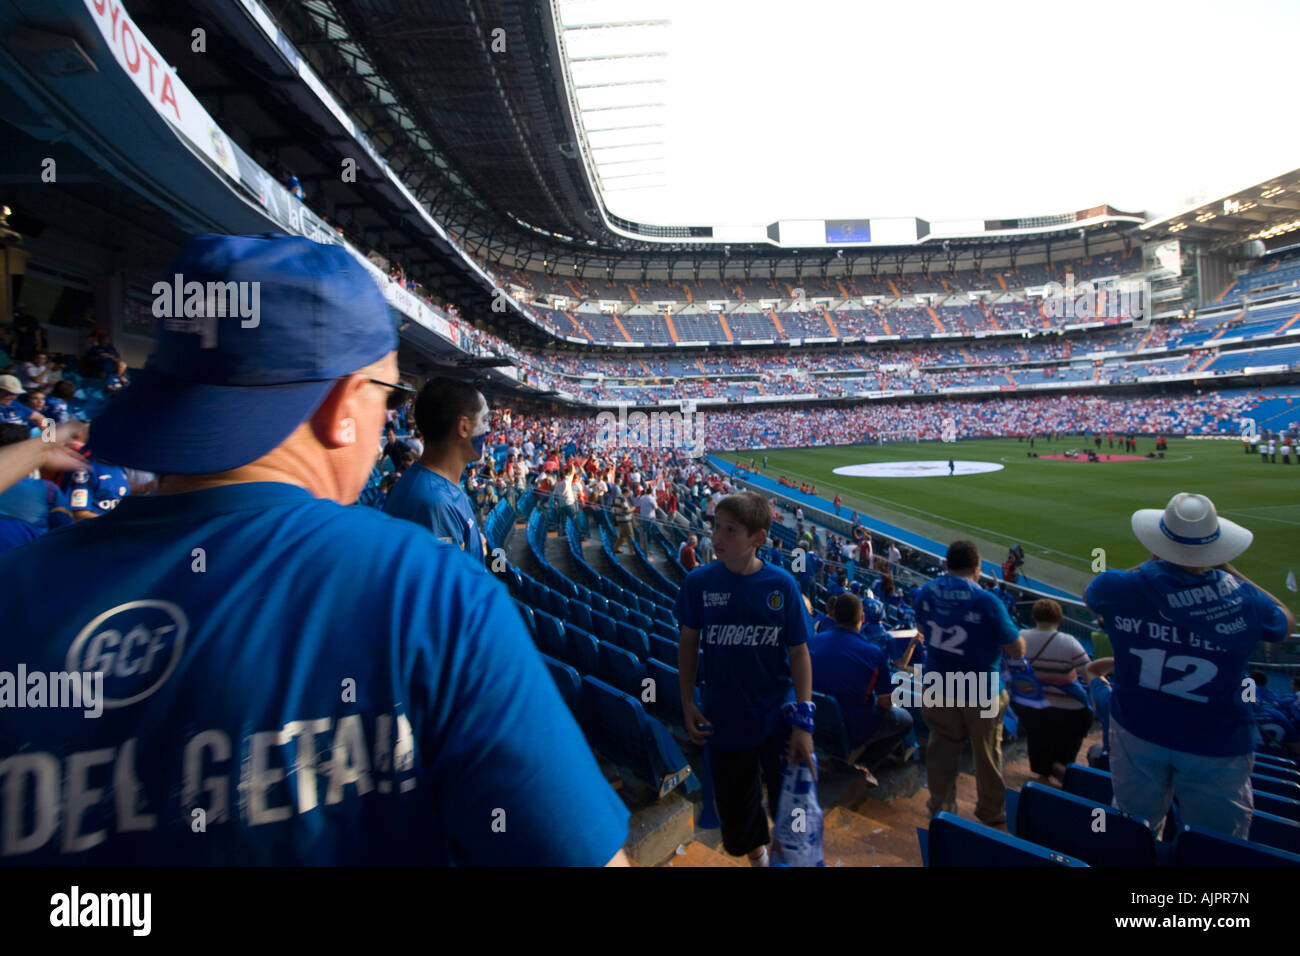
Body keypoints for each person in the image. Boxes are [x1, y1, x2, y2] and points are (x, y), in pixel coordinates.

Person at [0, 234, 630, 865]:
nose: (389, 423)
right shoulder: (431, 595)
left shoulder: (17, 586)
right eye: (384, 395)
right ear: (339, 406)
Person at [1085, 492, 1294, 839]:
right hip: (1216, 740)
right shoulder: (1244, 599)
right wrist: (1229, 568)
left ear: (1159, 541)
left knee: (1134, 828)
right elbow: (1284, 624)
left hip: (1138, 727)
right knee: (1217, 843)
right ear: (1216, 548)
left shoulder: (1118, 587)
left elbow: (1092, 596)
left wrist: (1155, 561)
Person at [675, 490, 814, 866]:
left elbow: (799, 653)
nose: (717, 537)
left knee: (791, 805)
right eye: (716, 526)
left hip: (778, 718)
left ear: (758, 538)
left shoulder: (782, 585)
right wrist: (687, 702)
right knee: (738, 809)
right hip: (724, 717)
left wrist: (805, 720)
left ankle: (788, 856)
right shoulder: (699, 584)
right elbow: (688, 646)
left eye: (731, 530)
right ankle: (758, 858)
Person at [915, 540, 1025, 827]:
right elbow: (1016, 649)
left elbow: (921, 630)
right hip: (980, 690)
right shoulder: (987, 600)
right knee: (987, 752)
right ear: (977, 568)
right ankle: (990, 812)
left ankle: (941, 808)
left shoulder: (926, 592)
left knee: (940, 749)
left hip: (938, 685)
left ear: (946, 564)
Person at [808, 593, 913, 784]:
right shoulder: (874, 654)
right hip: (852, 728)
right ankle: (865, 763)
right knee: (905, 720)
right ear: (861, 618)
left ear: (834, 615)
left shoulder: (814, 641)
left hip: (816, 719)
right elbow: (885, 704)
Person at [384, 377, 488, 562]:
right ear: (463, 427)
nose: (488, 430)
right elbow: (451, 588)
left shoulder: (436, 487)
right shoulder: (434, 505)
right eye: (484, 420)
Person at [1008, 599, 1094, 785]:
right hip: (1069, 710)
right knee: (1067, 747)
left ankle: (1043, 778)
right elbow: (1089, 675)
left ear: (1034, 616)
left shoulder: (1020, 637)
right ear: (1059, 618)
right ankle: (1062, 772)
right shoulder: (1069, 642)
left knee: (1038, 741)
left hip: (1032, 706)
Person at [612, 486, 635, 554]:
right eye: (629, 494)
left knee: (623, 535)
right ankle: (632, 550)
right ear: (626, 493)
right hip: (625, 520)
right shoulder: (623, 499)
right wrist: (633, 508)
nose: (629, 495)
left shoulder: (617, 498)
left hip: (619, 519)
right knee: (630, 535)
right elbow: (626, 510)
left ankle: (616, 547)